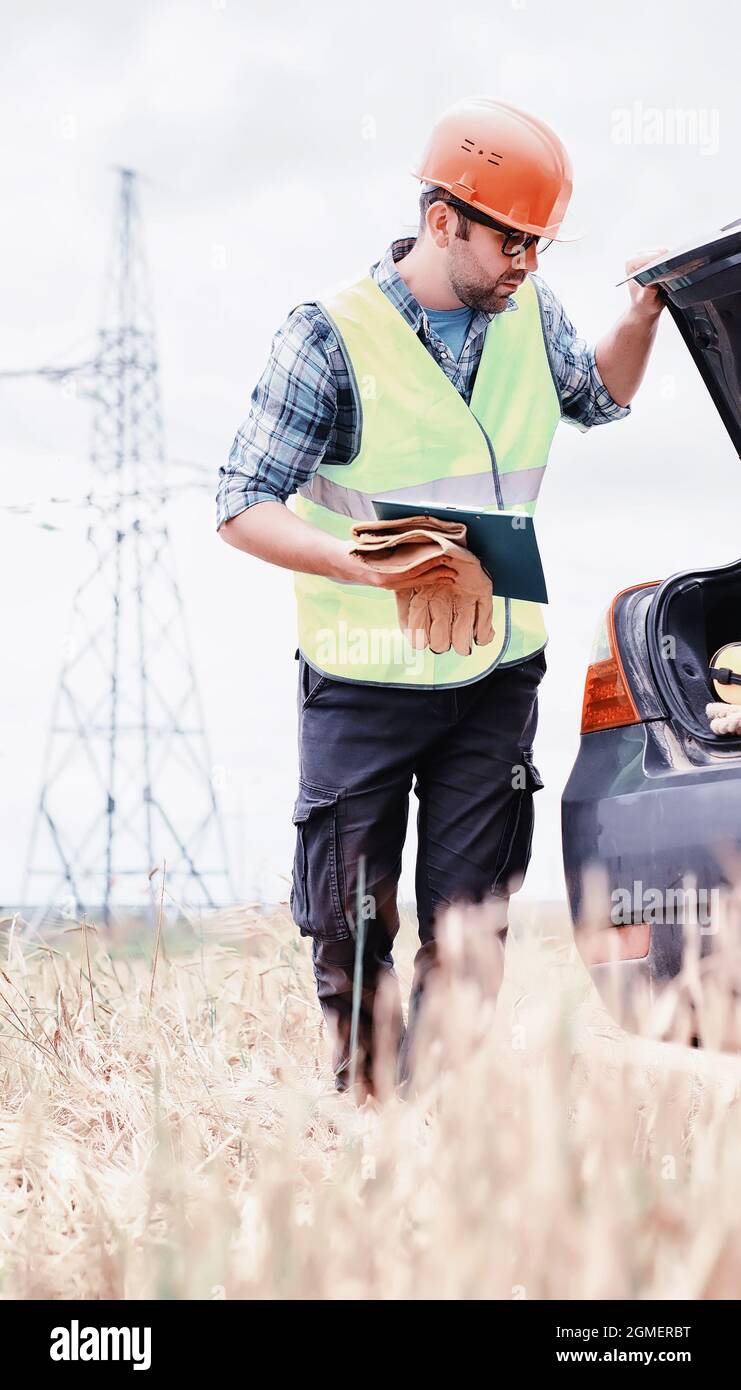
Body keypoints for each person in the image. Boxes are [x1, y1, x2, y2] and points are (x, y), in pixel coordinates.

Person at [216, 97, 666, 1100]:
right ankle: (364, 1120)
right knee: (352, 923)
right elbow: (240, 503)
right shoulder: (327, 338)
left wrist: (638, 318)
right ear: (442, 218)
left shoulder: (530, 312)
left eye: (541, 245)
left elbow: (596, 400)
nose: (527, 264)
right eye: (513, 240)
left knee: (470, 927)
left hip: (495, 675)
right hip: (364, 684)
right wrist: (369, 566)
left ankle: (433, 1137)